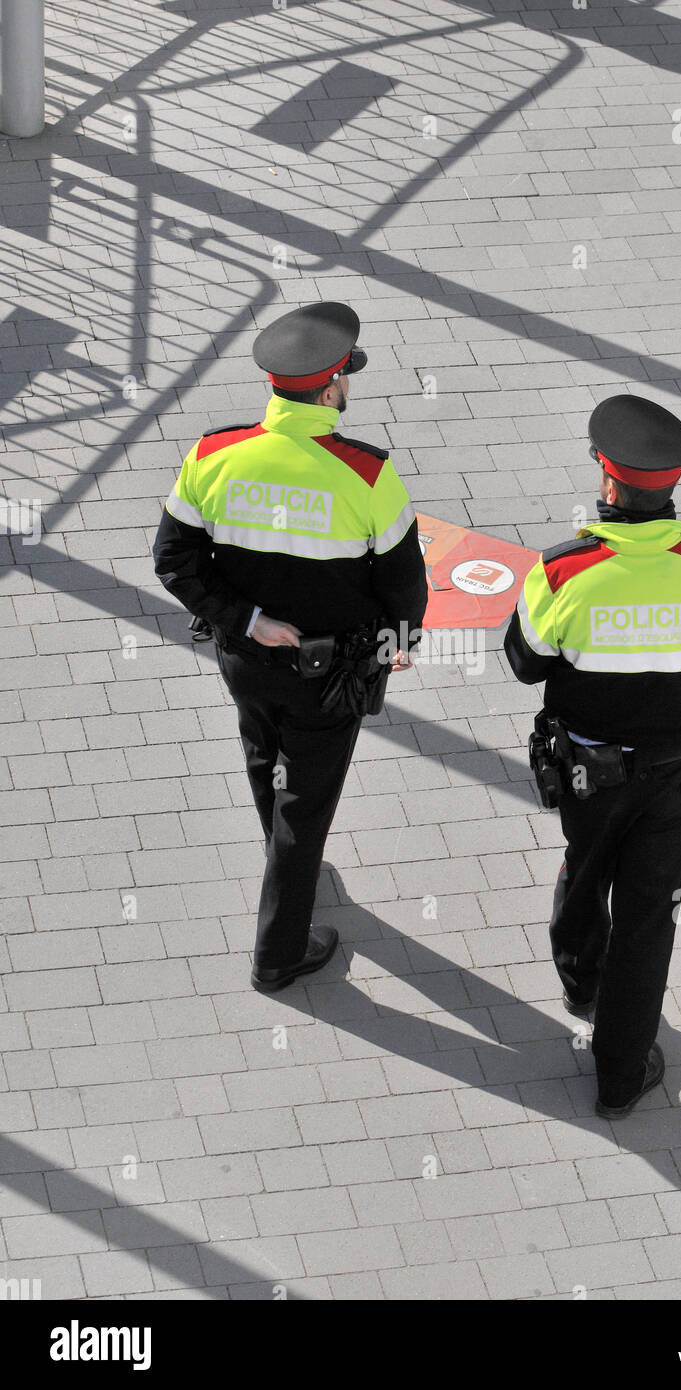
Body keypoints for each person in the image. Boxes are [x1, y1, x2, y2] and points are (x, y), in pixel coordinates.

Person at [505, 394, 681, 1118]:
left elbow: (524, 663)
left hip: (590, 773)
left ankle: (579, 981)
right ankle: (621, 1076)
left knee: (584, 869)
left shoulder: (562, 572)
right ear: (669, 488)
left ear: (608, 484)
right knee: (650, 912)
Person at [153, 301, 427, 993]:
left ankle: (281, 847)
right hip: (329, 673)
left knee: (260, 753)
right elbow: (403, 585)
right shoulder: (368, 474)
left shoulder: (211, 454)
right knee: (307, 802)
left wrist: (245, 619)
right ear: (333, 387)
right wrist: (399, 642)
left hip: (245, 660)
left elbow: (173, 560)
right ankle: (277, 954)